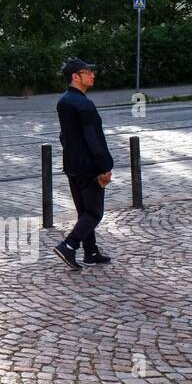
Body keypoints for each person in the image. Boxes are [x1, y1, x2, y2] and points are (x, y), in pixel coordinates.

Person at [53, 57, 114, 271]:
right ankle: (69, 245)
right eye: (88, 72)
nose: (93, 75)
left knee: (83, 211)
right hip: (89, 168)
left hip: (72, 166)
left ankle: (91, 252)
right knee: (94, 213)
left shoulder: (64, 101)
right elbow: (93, 138)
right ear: (75, 76)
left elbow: (65, 136)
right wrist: (105, 166)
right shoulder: (84, 104)